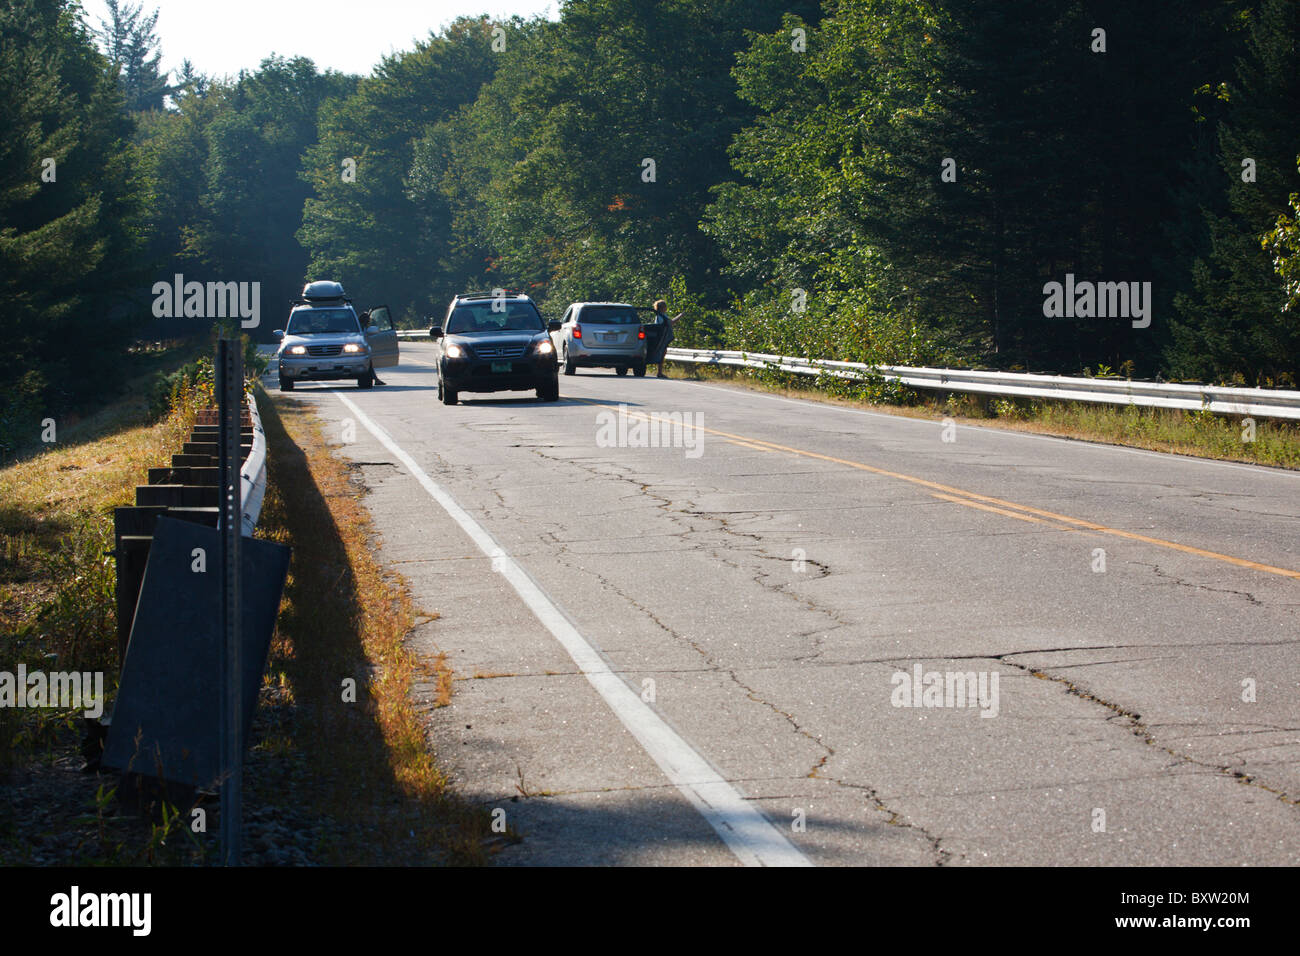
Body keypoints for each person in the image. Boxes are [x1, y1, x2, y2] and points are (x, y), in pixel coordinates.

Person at [647, 299, 683, 378]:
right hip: (661, 339)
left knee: (662, 354)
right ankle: (659, 372)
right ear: (662, 307)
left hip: (663, 338)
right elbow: (670, 323)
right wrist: (680, 316)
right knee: (661, 355)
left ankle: (660, 372)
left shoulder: (661, 315)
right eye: (665, 306)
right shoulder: (661, 316)